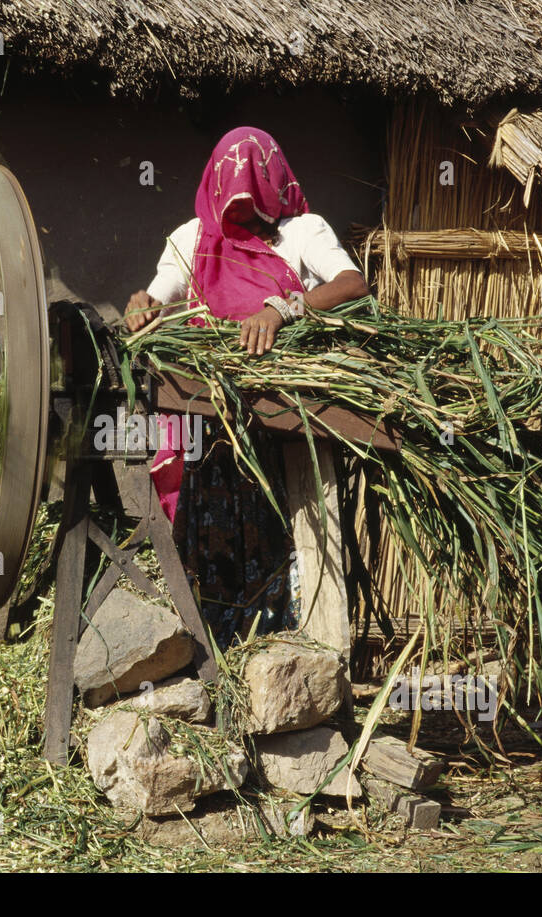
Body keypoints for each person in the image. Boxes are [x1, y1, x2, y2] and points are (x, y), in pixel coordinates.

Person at [123, 126, 369, 649]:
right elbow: (159, 296)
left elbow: (352, 285)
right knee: (207, 536)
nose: (244, 218)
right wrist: (142, 301)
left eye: (254, 205)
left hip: (282, 417)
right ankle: (213, 653)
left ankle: (292, 650)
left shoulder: (302, 231)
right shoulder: (189, 237)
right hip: (208, 416)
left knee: (284, 531)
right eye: (233, 205)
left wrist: (283, 308)